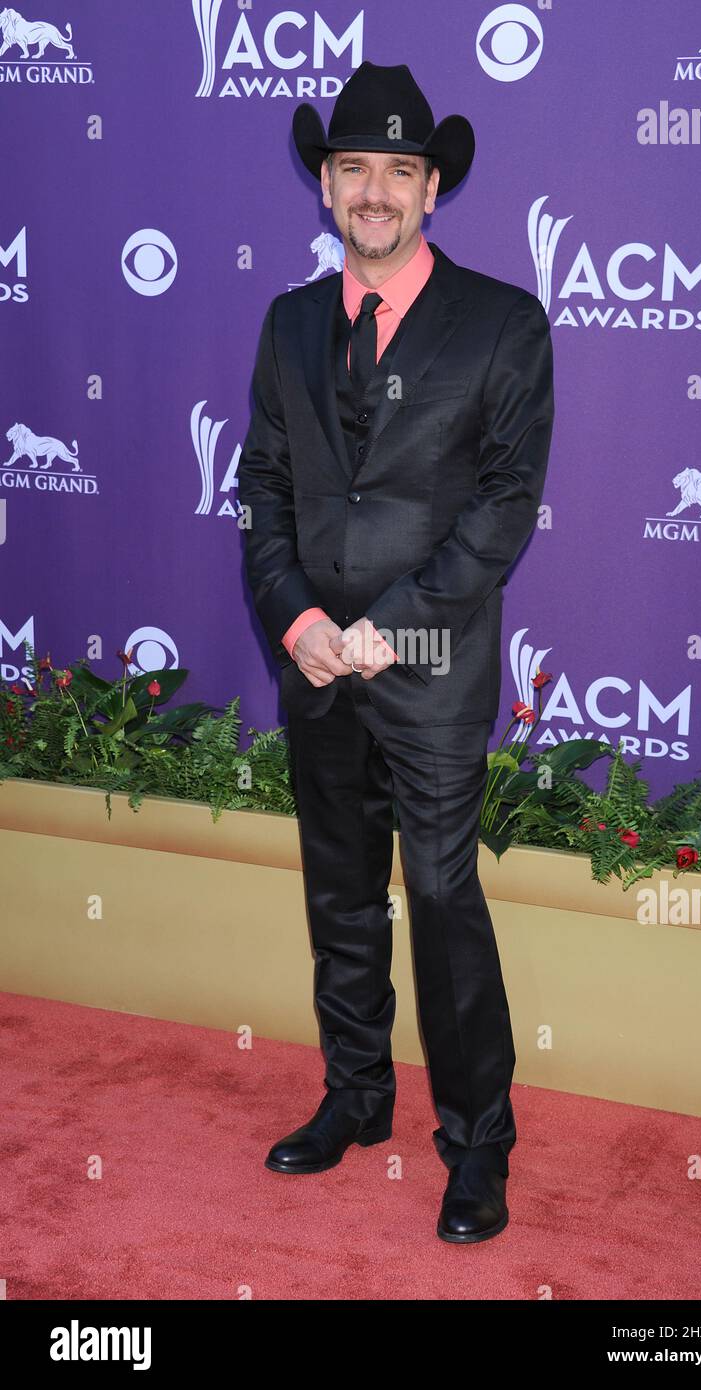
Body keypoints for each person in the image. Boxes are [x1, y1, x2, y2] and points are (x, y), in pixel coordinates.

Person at [238, 61, 554, 1243]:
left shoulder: (504, 323)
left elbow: (505, 511)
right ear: (327, 188)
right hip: (317, 668)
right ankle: (355, 1099)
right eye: (354, 168)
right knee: (339, 895)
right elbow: (262, 489)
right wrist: (300, 622)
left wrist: (390, 624)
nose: (376, 190)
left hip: (431, 672)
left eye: (400, 171)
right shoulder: (287, 322)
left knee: (438, 896)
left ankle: (479, 1145)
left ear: (431, 190)